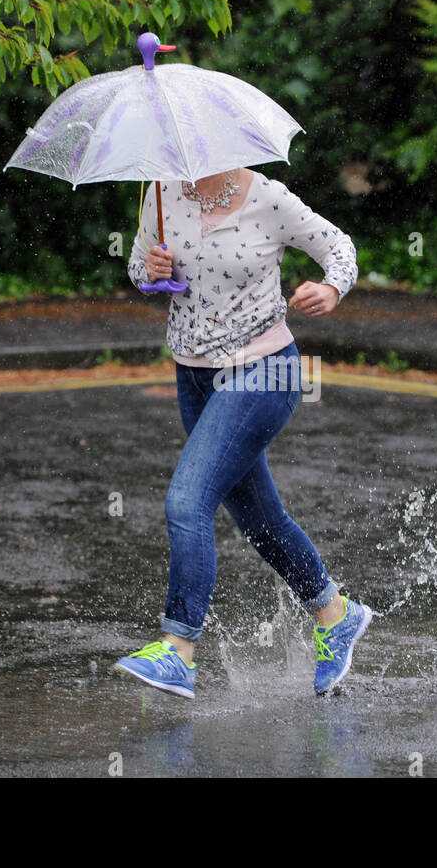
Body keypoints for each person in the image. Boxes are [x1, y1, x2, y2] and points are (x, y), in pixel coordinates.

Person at [113, 166, 371, 698]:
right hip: (194, 378)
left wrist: (331, 288)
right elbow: (140, 267)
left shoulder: (268, 198)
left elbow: (338, 246)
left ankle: (178, 649)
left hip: (266, 370)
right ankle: (335, 614)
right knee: (260, 521)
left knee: (188, 501)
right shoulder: (161, 194)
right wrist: (149, 267)